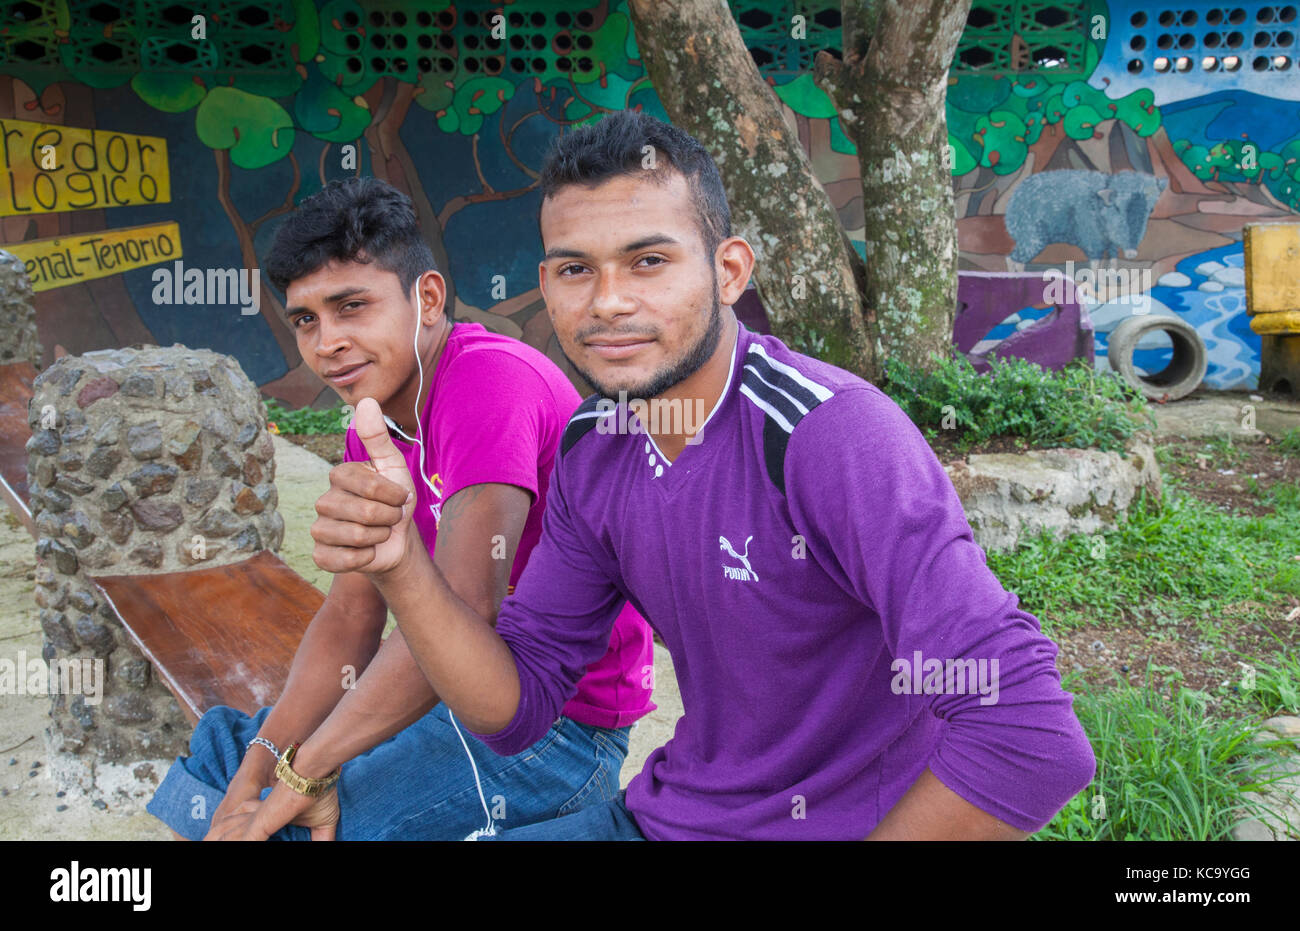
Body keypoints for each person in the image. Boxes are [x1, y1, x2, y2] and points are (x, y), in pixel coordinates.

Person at [307, 110, 1097, 840]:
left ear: (728, 271)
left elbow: (1029, 733)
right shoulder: (598, 445)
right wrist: (401, 565)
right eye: (576, 269)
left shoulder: (828, 436)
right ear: (547, 287)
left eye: (648, 260)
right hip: (668, 816)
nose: (609, 301)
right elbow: (513, 708)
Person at [145, 177, 655, 841]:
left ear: (429, 299)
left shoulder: (489, 382)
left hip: (554, 731)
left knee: (310, 827)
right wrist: (260, 767)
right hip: (441, 693)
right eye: (307, 320)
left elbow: (470, 607)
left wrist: (306, 773)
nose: (326, 342)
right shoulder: (373, 420)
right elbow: (352, 611)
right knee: (223, 753)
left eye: (351, 306)